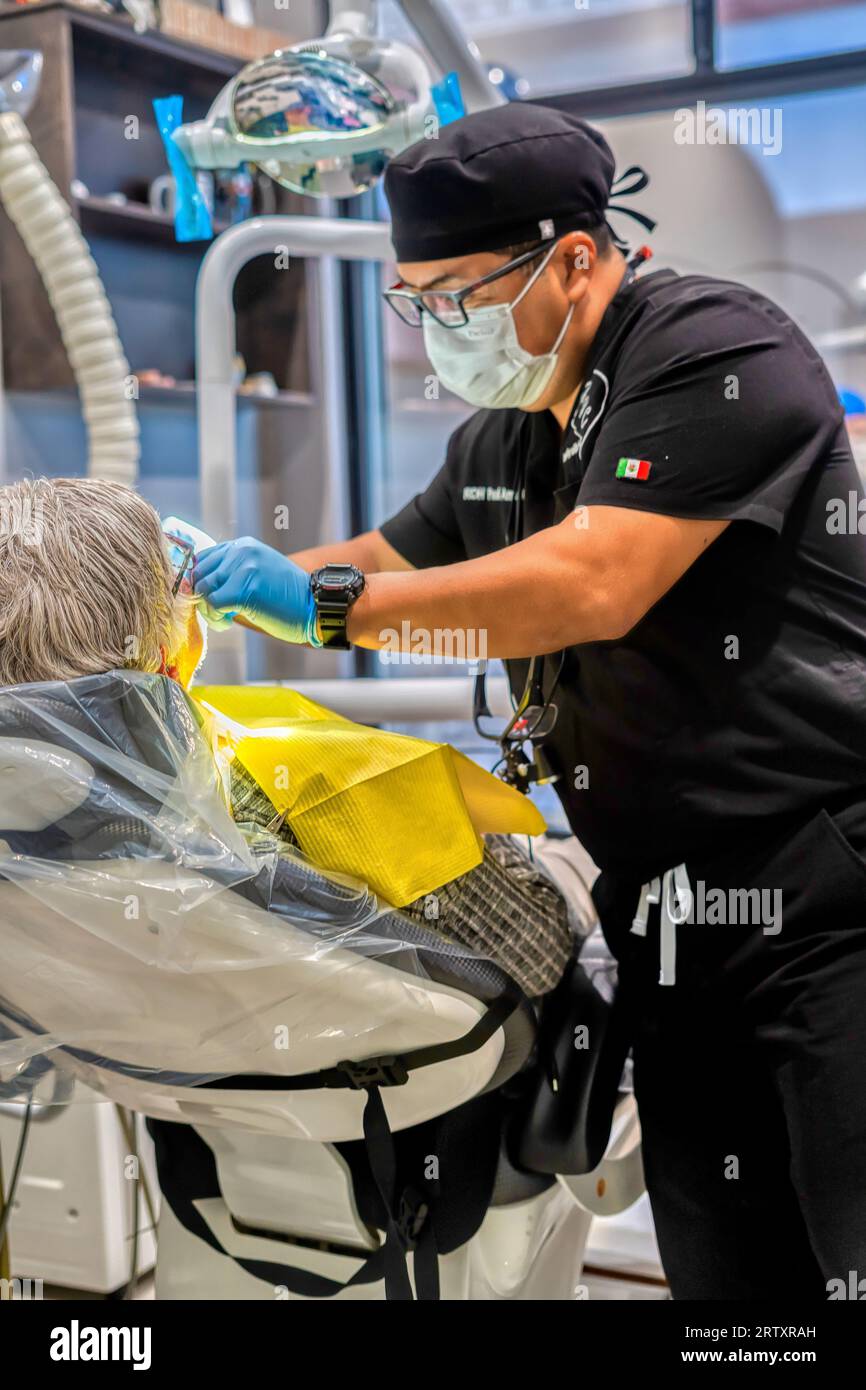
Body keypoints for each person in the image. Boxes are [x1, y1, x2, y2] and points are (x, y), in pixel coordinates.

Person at [191, 103, 866, 1300]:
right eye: (415, 300)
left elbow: (589, 583)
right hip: (666, 911)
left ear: (570, 258)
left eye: (453, 293)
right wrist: (225, 584)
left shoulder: (717, 350)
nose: (436, 325)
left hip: (823, 894)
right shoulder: (504, 438)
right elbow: (395, 560)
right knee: (730, 1277)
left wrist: (324, 605)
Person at [0, 475, 574, 998]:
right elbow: (538, 951)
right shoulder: (310, 790)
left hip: (210, 1094)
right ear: (162, 660)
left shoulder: (36, 837)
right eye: (172, 568)